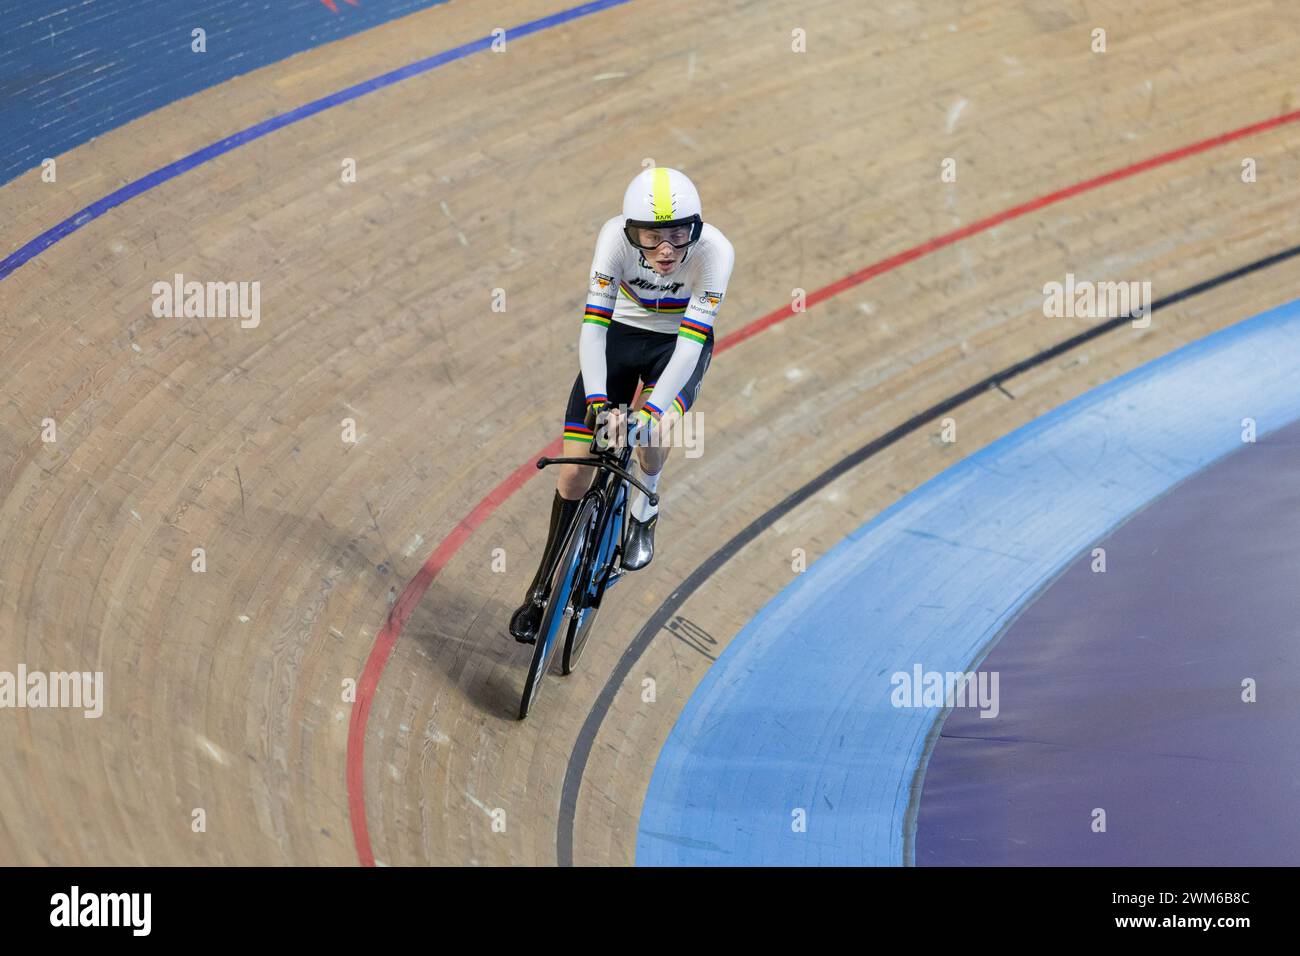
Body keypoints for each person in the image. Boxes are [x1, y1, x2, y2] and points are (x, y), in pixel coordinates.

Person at [509, 166, 735, 643]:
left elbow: (690, 347)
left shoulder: (716, 252)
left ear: (695, 227)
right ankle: (539, 593)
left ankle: (645, 506)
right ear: (632, 234)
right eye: (652, 238)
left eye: (678, 234)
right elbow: (594, 327)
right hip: (619, 339)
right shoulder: (612, 239)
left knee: (653, 434)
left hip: (676, 346)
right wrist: (597, 401)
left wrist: (650, 413)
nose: (667, 250)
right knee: (574, 472)